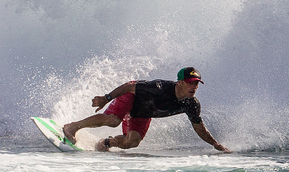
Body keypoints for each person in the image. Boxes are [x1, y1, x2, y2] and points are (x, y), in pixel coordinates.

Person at [62, 66, 230, 153]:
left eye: (196, 83)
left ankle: (106, 143)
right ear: (180, 82)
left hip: (144, 112)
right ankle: (72, 127)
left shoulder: (191, 104)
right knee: (113, 120)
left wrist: (216, 144)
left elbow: (199, 128)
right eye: (190, 82)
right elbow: (130, 86)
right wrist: (106, 98)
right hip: (132, 97)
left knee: (132, 142)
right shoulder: (159, 88)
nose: (193, 86)